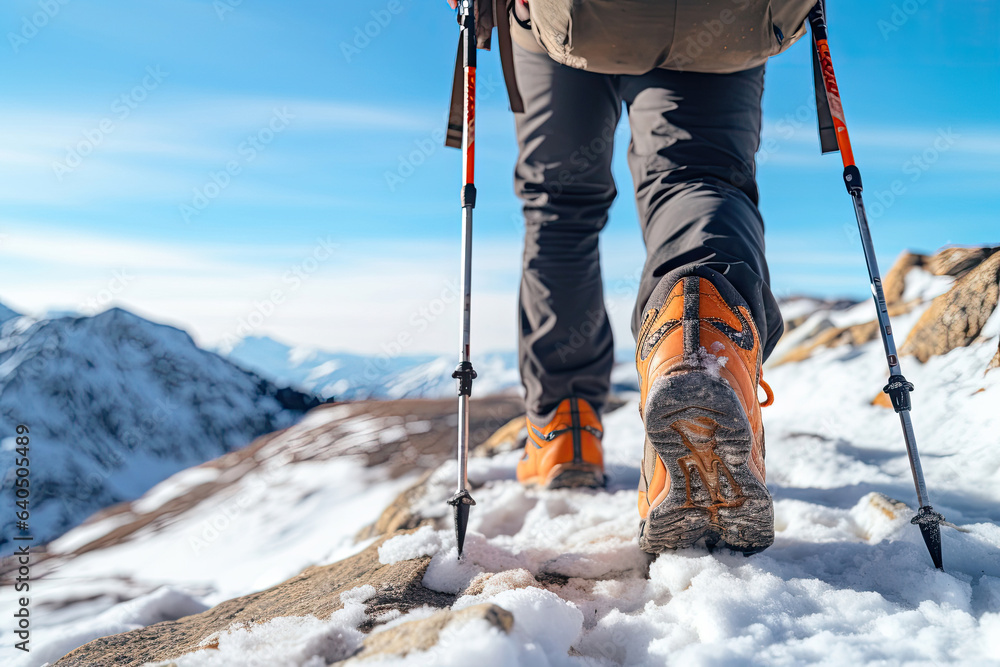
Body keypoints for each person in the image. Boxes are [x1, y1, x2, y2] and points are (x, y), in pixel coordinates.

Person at [445, 0, 813, 554]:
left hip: (559, 14)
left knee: (560, 205)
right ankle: (706, 349)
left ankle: (564, 430)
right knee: (698, 174)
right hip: (723, 14)